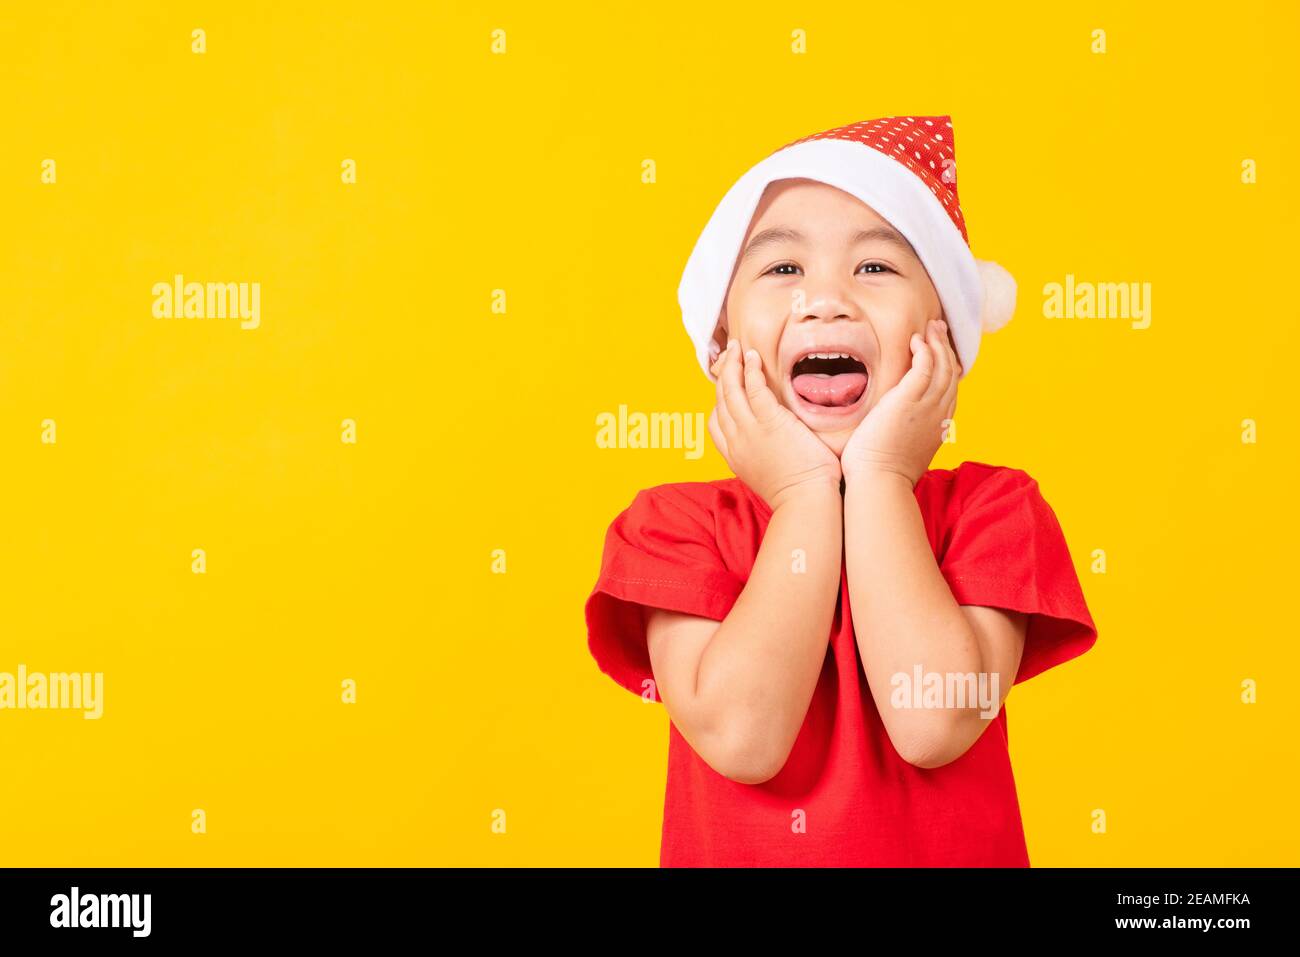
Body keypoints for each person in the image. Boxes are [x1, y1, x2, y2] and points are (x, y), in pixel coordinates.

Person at [584, 116, 1098, 867]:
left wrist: (881, 478)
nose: (826, 301)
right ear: (722, 342)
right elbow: (744, 737)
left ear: (946, 335)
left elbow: (933, 721)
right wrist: (802, 495)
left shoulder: (994, 512)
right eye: (783, 270)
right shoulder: (672, 527)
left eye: (876, 269)